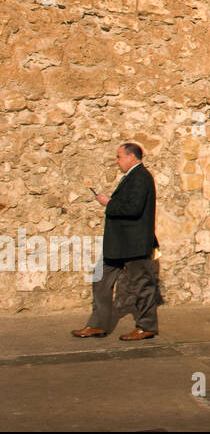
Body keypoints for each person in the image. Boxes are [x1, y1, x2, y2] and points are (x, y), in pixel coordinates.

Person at [72, 143, 161, 341]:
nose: (116, 160)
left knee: (141, 285)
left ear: (131, 157)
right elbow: (129, 204)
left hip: (133, 245)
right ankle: (97, 325)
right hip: (119, 245)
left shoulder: (141, 177)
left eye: (119, 156)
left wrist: (109, 203)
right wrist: (112, 201)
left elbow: (134, 208)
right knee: (100, 280)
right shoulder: (132, 176)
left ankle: (146, 326)